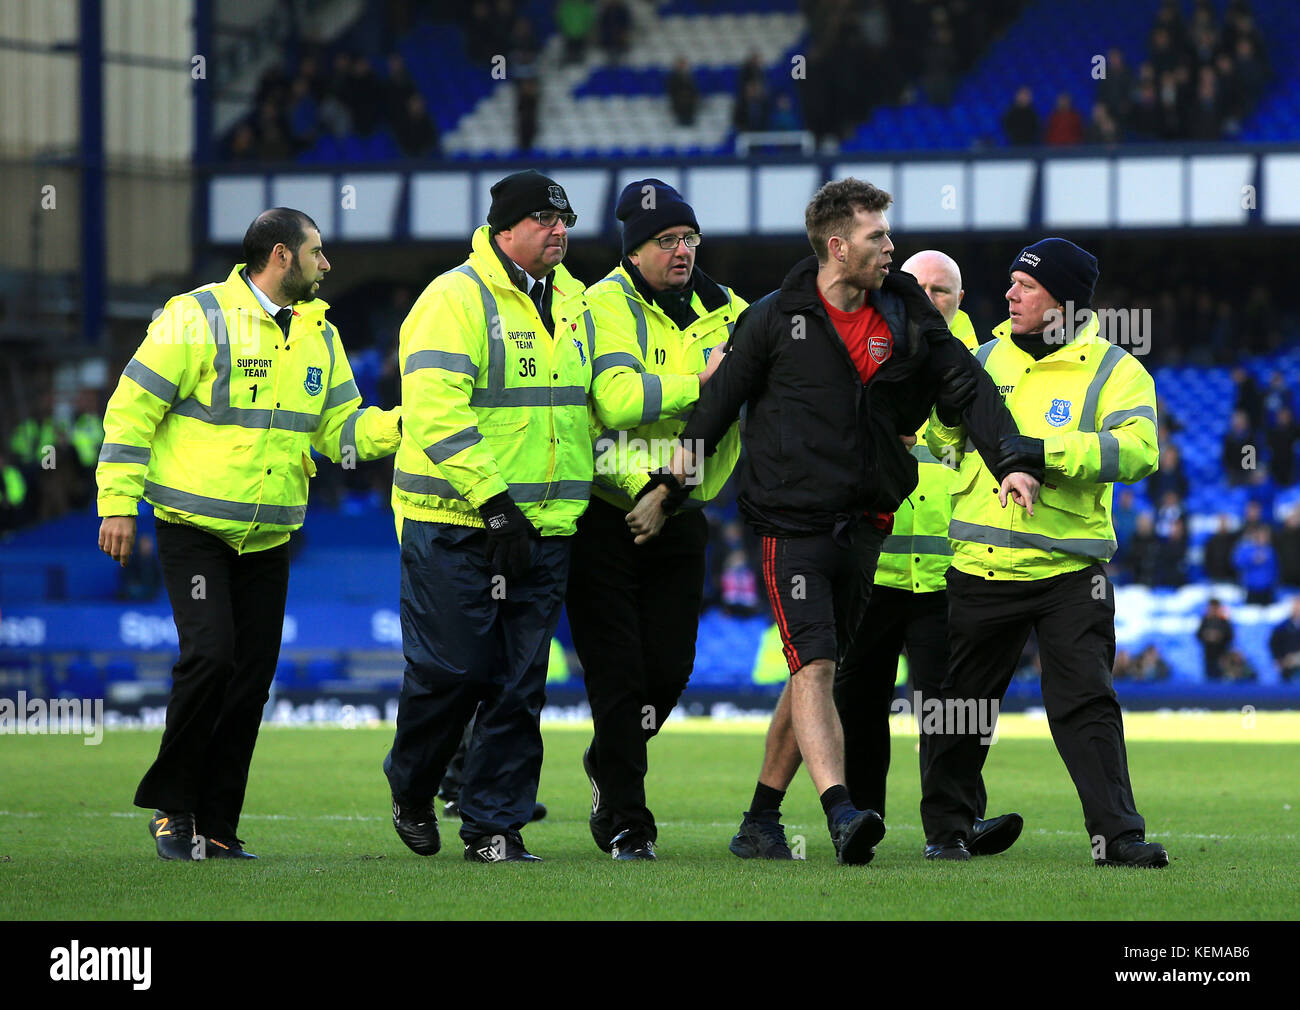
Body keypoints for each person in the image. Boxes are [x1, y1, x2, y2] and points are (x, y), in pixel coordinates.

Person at [635, 179, 1039, 864]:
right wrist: (667, 486)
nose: (891, 247)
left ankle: (761, 819)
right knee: (816, 664)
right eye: (878, 236)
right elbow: (716, 407)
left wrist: (1011, 460)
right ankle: (841, 812)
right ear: (836, 245)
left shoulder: (906, 314)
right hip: (789, 526)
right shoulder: (771, 318)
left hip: (867, 527)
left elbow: (966, 383)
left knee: (811, 669)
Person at [97, 208, 401, 860]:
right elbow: (132, 406)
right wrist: (117, 503)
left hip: (270, 536)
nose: (328, 264)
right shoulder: (195, 315)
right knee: (210, 655)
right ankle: (173, 810)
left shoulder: (322, 334)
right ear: (282, 257)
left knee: (249, 680)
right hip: (193, 526)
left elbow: (341, 432)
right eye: (318, 252)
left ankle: (217, 826)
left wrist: (405, 425)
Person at [722, 249, 1024, 861]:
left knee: (949, 708)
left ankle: (955, 825)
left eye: (944, 289)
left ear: (960, 299)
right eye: (920, 286)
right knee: (860, 708)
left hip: (947, 567)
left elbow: (959, 429)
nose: (931, 297)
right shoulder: (877, 342)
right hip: (874, 562)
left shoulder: (974, 361)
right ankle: (863, 822)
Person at [382, 171, 639, 863]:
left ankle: (494, 826)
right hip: (457, 521)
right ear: (505, 230)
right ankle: (412, 782)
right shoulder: (453, 299)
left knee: (518, 686)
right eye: (543, 220)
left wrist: (645, 483)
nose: (560, 231)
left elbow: (582, 418)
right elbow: (437, 413)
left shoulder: (578, 303)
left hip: (547, 529)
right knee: (454, 673)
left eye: (566, 220)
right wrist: (496, 506)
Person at [919, 237, 1169, 868]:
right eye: (1011, 283)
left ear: (1063, 303)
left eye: (1026, 287)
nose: (1010, 295)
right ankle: (948, 832)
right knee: (960, 707)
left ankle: (1117, 837)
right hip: (978, 566)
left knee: (1085, 699)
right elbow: (945, 449)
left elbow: (1139, 454)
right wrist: (949, 419)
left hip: (1068, 571)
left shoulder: (1117, 370)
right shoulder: (980, 357)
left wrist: (1043, 451)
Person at [567, 179, 744, 860]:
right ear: (633, 251)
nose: (682, 251)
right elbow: (612, 401)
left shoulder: (727, 306)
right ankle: (627, 822)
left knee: (668, 672)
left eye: (689, 238)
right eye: (666, 241)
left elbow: (761, 363)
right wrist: (700, 381)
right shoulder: (599, 304)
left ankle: (608, 759)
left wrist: (667, 491)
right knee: (618, 676)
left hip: (681, 513)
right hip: (605, 515)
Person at [1197, 598, 1234, 680]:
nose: (1213, 609)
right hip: (1208, 653)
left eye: (1215, 607)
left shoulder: (1224, 621)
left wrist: (1219, 636)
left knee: (1221, 677)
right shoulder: (1205, 620)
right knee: (1209, 676)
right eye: (1211, 607)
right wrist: (1207, 636)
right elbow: (1198, 634)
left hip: (1222, 654)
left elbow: (1230, 636)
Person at [1269, 597, 1300, 681]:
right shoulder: (1282, 628)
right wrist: (1280, 660)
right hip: (1287, 663)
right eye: (1296, 607)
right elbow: (1274, 644)